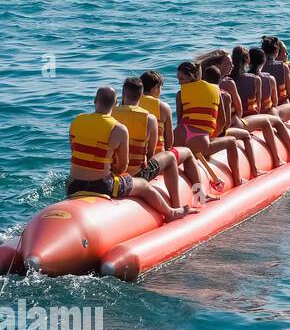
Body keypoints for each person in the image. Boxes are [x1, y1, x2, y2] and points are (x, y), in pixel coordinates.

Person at [67, 86, 187, 221]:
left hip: (73, 184)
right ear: (116, 103)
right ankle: (171, 213)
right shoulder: (119, 129)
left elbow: (74, 150)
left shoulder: (77, 120)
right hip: (102, 185)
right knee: (143, 185)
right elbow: (123, 166)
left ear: (95, 100)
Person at [114, 77, 204, 210]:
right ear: (141, 96)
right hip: (138, 173)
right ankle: (180, 204)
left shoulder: (112, 114)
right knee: (171, 156)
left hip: (115, 173)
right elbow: (151, 153)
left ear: (123, 94)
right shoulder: (149, 118)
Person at [174, 61, 251, 189]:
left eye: (181, 79)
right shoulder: (216, 91)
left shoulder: (180, 94)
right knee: (232, 141)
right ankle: (237, 180)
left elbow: (180, 120)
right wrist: (209, 137)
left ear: (192, 76)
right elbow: (223, 122)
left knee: (188, 154)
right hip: (199, 139)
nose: (179, 82)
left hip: (179, 136)